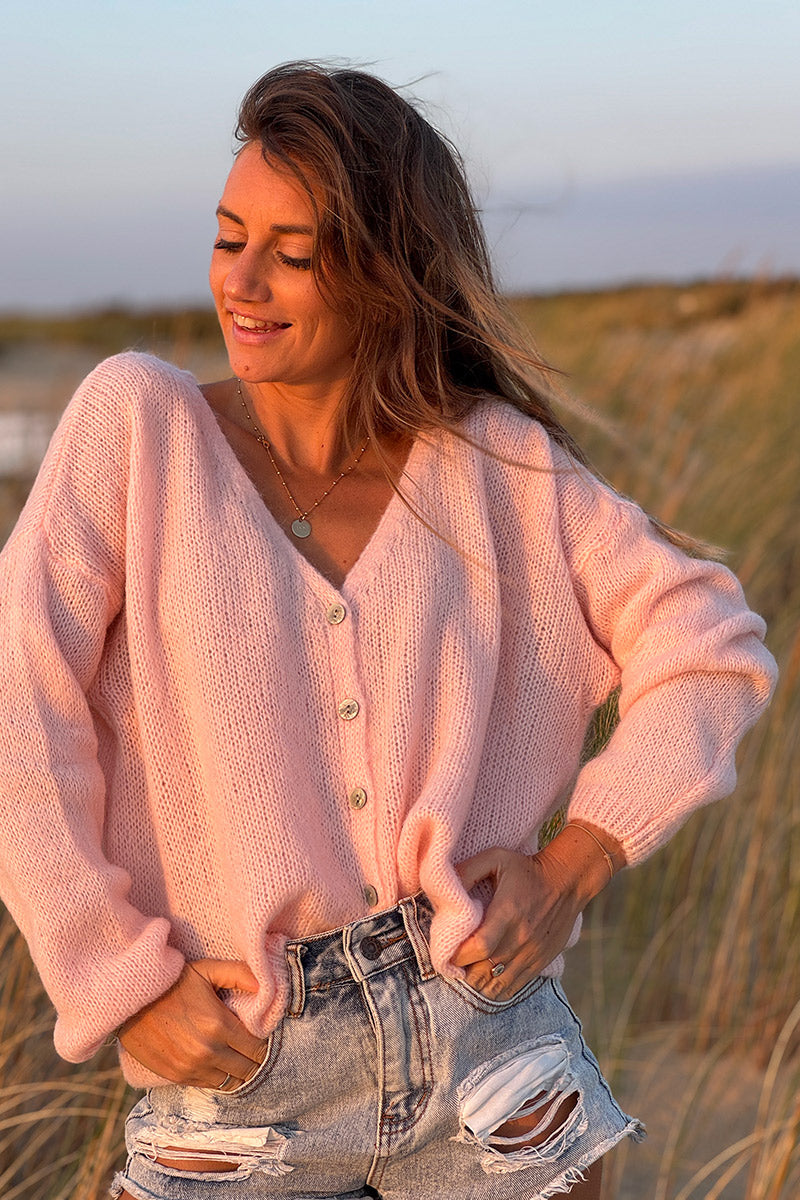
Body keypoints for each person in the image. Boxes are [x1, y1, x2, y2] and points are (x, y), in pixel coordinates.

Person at [0, 62, 777, 1200]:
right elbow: (17, 704)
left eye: (293, 252)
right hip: (240, 1068)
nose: (242, 282)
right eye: (228, 239)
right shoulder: (139, 431)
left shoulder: (493, 461)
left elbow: (709, 644)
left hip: (489, 1052)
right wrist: (117, 982)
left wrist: (574, 865)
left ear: (386, 272)